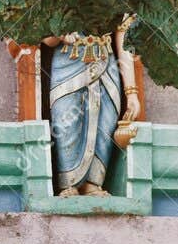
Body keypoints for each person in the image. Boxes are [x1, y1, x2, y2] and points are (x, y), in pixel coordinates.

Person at [42, 17, 140, 196]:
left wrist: (131, 92)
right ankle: (68, 183)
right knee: (65, 122)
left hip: (107, 65)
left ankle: (94, 183)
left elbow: (125, 40)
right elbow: (45, 38)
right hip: (67, 63)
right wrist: (59, 33)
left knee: (105, 123)